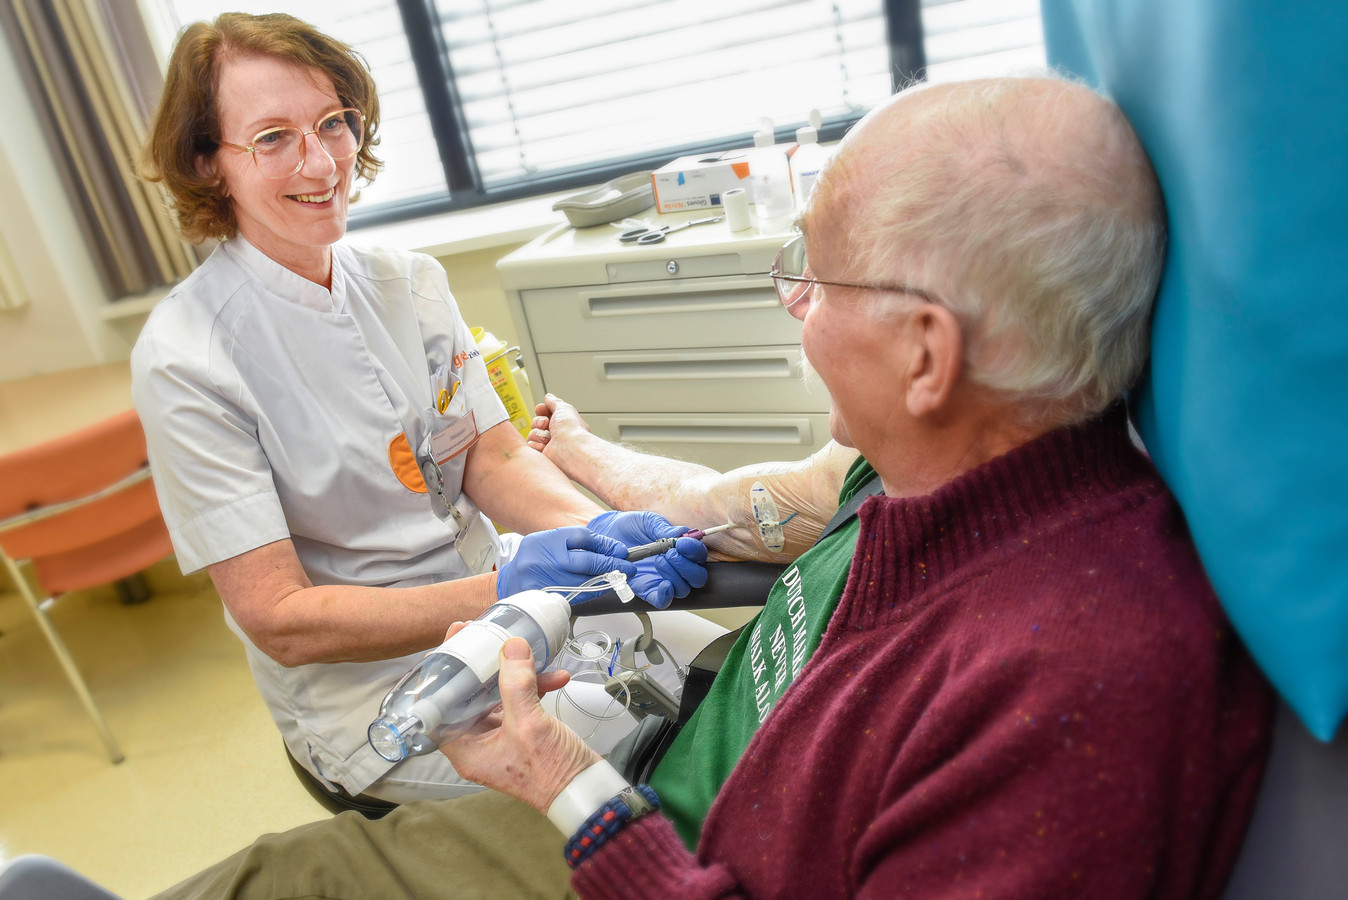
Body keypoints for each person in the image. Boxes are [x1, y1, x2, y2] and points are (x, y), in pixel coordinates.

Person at [151, 74, 1274, 899]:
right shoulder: (938, 459)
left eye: (815, 276)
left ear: (927, 355)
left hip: (659, 843)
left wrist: (568, 785)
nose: (794, 305)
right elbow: (739, 503)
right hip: (688, 748)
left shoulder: (1072, 683)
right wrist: (599, 499)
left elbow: (492, 459)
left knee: (281, 885)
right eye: (273, 137)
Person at [130, 12, 707, 805]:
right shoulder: (187, 358)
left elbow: (491, 457)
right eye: (272, 138)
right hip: (377, 693)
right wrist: (510, 585)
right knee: (673, 763)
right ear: (208, 163)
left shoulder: (409, 282)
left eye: (333, 122)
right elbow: (280, 619)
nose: (321, 161)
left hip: (510, 600)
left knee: (732, 674)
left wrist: (598, 538)